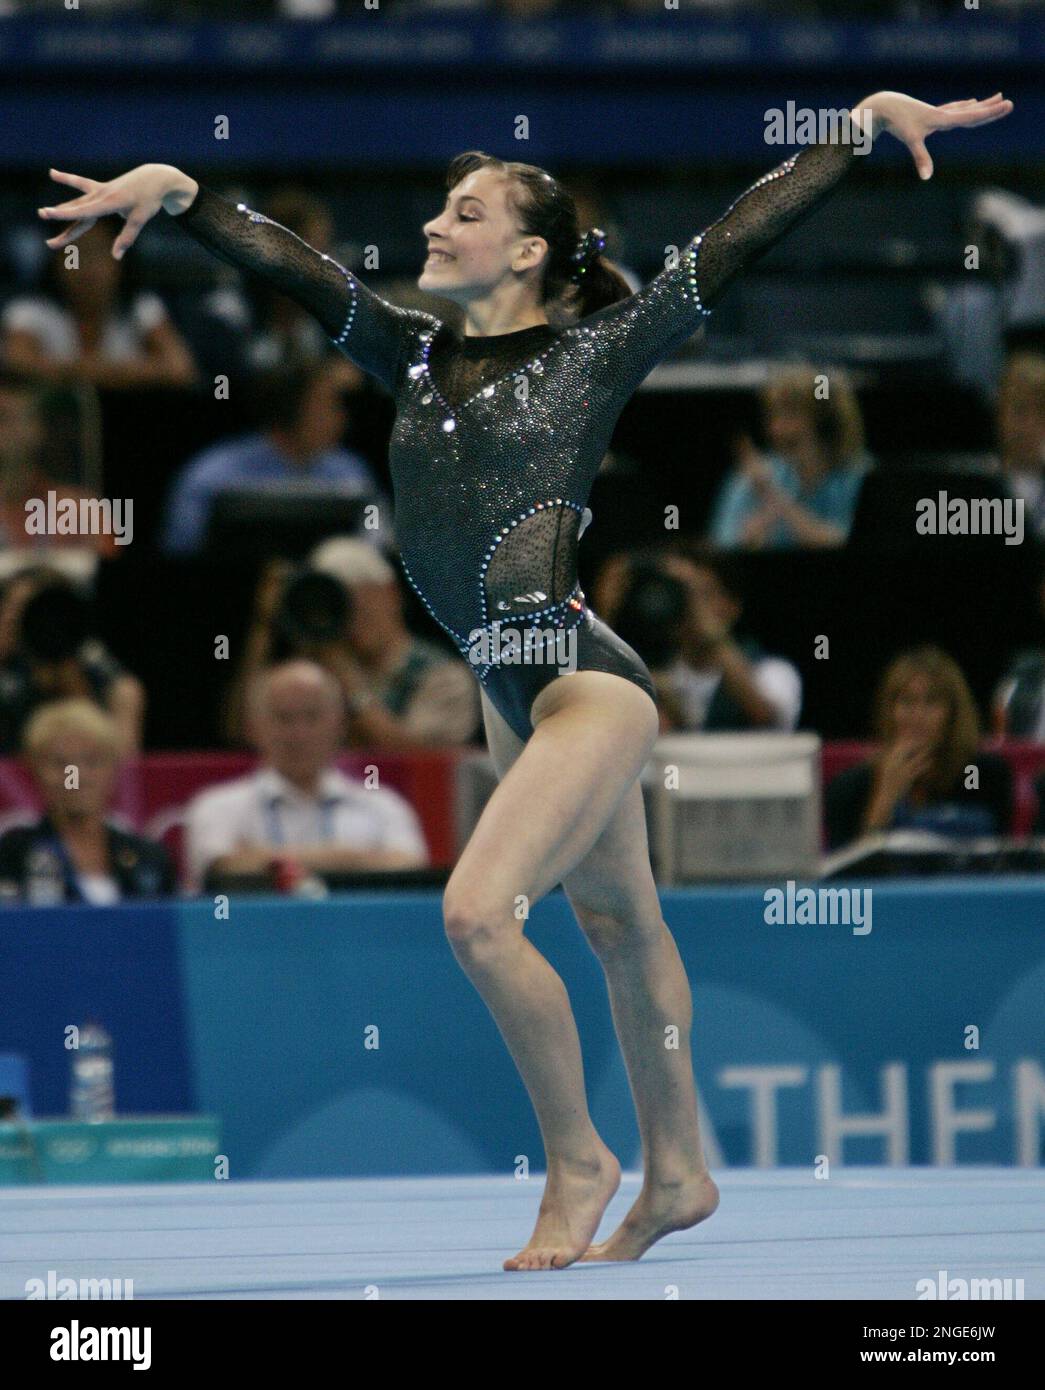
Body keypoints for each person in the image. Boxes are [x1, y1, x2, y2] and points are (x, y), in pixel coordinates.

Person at [39, 87, 1012, 1269]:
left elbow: (734, 239)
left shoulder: (593, 351)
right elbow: (296, 268)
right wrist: (183, 194)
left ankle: (576, 1159)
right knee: (618, 920)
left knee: (476, 915)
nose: (434, 226)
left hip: (581, 682)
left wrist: (858, 124)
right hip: (509, 691)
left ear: (529, 251)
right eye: (441, 209)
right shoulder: (406, 350)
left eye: (465, 213)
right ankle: (679, 1171)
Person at [185, 660, 429, 892]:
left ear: (340, 725)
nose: (299, 733)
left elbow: (411, 868)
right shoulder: (217, 805)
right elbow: (220, 869)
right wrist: (354, 858)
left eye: (312, 717)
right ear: (253, 727)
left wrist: (264, 860)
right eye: (284, 718)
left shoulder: (383, 805)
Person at [222, 539, 481, 747]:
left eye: (362, 605)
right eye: (341, 607)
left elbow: (421, 759)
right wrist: (265, 625)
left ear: (391, 593)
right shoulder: (308, 674)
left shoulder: (442, 676)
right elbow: (243, 732)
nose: (352, 620)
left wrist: (350, 683)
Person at [159, 358, 380, 555]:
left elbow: (378, 540)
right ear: (290, 407)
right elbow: (181, 551)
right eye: (328, 405)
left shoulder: (351, 471)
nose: (342, 417)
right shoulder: (212, 476)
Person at [825, 646, 1014, 850]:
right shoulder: (850, 788)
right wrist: (885, 798)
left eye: (931, 702)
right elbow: (849, 867)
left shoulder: (986, 775)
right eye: (907, 701)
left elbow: (1001, 860)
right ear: (889, 711)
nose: (918, 715)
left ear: (953, 713)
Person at [0, 699, 175, 905]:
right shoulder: (12, 855)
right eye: (60, 763)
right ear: (34, 770)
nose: (76, 777)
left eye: (92, 761)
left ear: (114, 768)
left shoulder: (149, 857)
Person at [614, 547, 802, 733]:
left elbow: (767, 720)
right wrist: (613, 613)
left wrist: (712, 634)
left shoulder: (772, 671)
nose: (690, 606)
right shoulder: (651, 673)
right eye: (680, 593)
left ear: (733, 606)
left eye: (705, 593)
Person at [1, 220, 198, 392]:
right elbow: (16, 363)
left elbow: (181, 369)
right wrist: (121, 374)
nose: (87, 268)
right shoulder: (30, 310)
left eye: (99, 253)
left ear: (120, 262)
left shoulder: (140, 307)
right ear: (56, 263)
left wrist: (81, 373)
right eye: (74, 255)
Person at [708, 364, 872, 550]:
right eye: (772, 415)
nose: (776, 429)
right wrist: (749, 540)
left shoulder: (861, 476)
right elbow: (722, 548)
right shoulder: (749, 478)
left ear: (825, 420)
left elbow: (848, 547)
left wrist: (774, 497)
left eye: (791, 414)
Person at [0, 570, 144, 756]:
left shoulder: (86, 658)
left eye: (33, 609)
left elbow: (118, 761)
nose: (23, 619)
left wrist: (69, 677)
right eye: (14, 609)